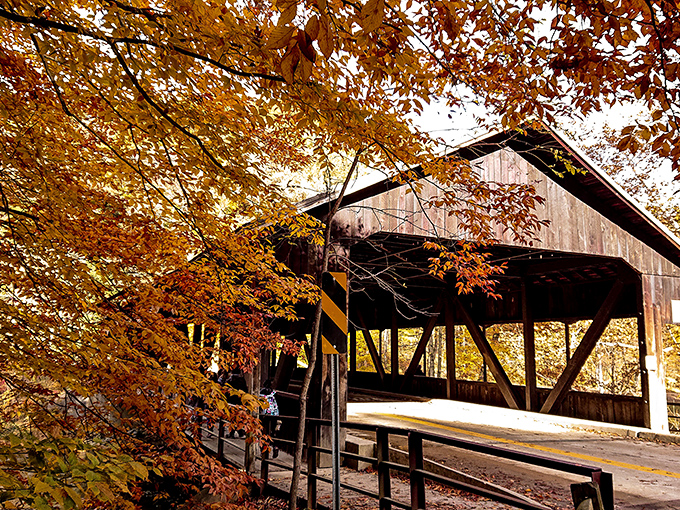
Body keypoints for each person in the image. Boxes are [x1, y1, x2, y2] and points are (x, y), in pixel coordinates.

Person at [260, 379, 280, 458]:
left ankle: (263, 451)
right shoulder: (274, 393)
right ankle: (275, 446)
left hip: (264, 415)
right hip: (274, 414)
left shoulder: (261, 393)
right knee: (273, 433)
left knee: (263, 433)